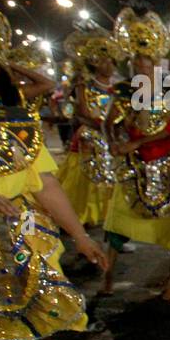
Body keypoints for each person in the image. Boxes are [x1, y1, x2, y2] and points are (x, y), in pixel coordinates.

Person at [0, 0, 109, 340]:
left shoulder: (15, 123)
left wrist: (82, 238)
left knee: (24, 318)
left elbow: (45, 186)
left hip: (15, 239)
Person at [101, 2, 170, 300]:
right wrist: (115, 142)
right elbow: (108, 122)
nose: (141, 65)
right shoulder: (124, 91)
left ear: (157, 62)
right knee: (117, 227)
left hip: (166, 165)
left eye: (147, 61)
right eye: (137, 61)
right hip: (134, 166)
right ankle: (106, 280)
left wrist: (136, 141)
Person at [56, 21, 127, 233]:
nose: (110, 65)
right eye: (104, 61)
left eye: (111, 62)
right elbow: (82, 113)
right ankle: (76, 222)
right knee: (83, 184)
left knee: (109, 183)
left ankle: (107, 226)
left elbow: (121, 113)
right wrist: (99, 123)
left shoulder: (118, 88)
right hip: (89, 138)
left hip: (110, 138)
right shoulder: (84, 85)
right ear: (94, 63)